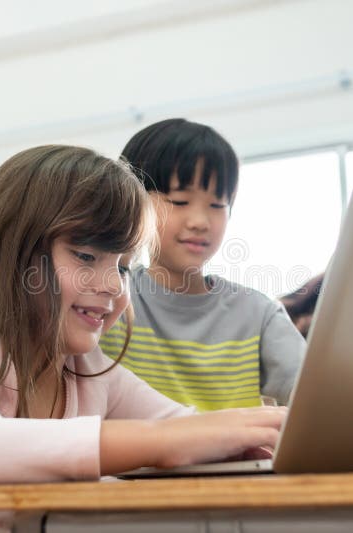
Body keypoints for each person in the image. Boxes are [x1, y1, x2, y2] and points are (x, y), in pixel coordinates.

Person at [0, 145, 285, 532]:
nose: (112, 285)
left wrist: (252, 438)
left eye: (123, 266)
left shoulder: (90, 372)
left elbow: (187, 432)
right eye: (86, 256)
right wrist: (155, 441)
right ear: (1, 259)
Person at [99, 119, 306, 410]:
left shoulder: (258, 314)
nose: (200, 222)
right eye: (180, 201)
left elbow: (314, 397)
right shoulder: (108, 301)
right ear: (132, 203)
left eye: (217, 205)